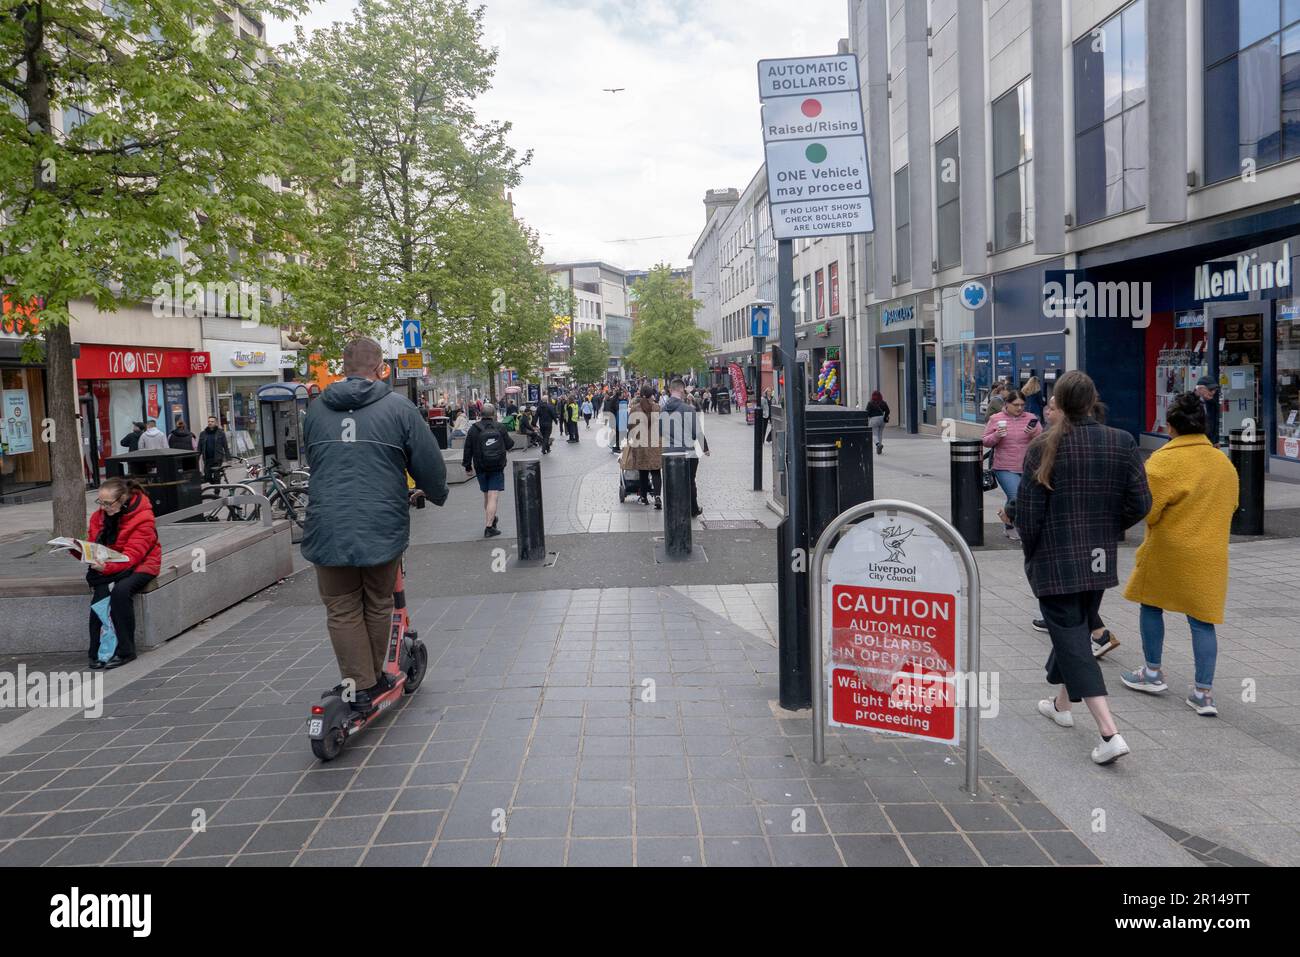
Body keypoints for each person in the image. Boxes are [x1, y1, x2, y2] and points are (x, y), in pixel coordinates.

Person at [302, 337, 448, 712]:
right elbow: (428, 462)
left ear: (343, 366)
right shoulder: (398, 406)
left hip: (327, 524)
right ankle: (374, 678)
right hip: (380, 522)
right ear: (381, 368)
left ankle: (359, 682)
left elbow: (315, 459)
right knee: (378, 601)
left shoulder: (317, 410)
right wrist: (435, 492)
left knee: (341, 605)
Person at [1014, 370, 1151, 766]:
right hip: (1098, 557)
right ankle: (1061, 706)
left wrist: (1033, 551)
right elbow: (1141, 502)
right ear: (1093, 401)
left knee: (1073, 639)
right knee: (1073, 626)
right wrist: (1108, 529)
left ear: (1057, 402)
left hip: (1056, 560)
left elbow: (1029, 515)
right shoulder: (1121, 442)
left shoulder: (1042, 448)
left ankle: (1109, 732)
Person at [1120, 393, 1238, 716]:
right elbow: (1231, 506)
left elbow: (1150, 511)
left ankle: (1153, 672)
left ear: (1170, 427)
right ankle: (1203, 693)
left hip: (1168, 550)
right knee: (1202, 622)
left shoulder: (1162, 462)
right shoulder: (1223, 463)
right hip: (1210, 552)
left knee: (1151, 603)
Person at [82, 477, 161, 670]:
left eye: (108, 503)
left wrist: (105, 568)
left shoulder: (143, 518)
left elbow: (131, 558)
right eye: (100, 502)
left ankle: (126, 651)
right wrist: (79, 550)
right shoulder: (99, 516)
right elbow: (93, 545)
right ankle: (99, 650)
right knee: (100, 596)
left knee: (120, 592)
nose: (103, 507)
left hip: (141, 564)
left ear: (123, 498)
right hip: (110, 564)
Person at [982, 389, 1038, 541]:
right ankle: (1011, 525)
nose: (1019, 408)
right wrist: (996, 435)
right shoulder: (996, 418)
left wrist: (1033, 433)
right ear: (1007, 404)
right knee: (1016, 496)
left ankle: (1007, 520)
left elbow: (1043, 439)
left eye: (1022, 405)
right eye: (1015, 405)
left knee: (1014, 498)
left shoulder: (1031, 418)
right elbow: (985, 441)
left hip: (1027, 466)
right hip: (1004, 466)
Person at [463, 402, 514, 537]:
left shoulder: (474, 429)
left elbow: (467, 449)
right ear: (493, 415)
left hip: (480, 467)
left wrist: (467, 466)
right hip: (497, 466)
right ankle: (489, 526)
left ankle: (491, 517)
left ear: (480, 414)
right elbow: (510, 445)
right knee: (493, 496)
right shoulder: (500, 427)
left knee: (487, 495)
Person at [661, 376, 709, 517]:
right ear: (681, 390)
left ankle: (672, 509)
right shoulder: (688, 409)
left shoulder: (663, 409)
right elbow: (697, 432)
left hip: (669, 451)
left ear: (670, 391)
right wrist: (704, 447)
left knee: (672, 481)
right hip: (688, 452)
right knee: (689, 480)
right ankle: (692, 508)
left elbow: (659, 431)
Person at [625, 384, 662, 508]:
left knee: (643, 472)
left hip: (641, 444)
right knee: (656, 471)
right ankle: (657, 497)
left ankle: (644, 497)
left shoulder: (635, 409)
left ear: (641, 395)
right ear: (651, 395)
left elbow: (629, 426)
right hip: (655, 444)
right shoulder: (657, 408)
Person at [197, 416, 229, 484]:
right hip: (207, 459)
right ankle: (215, 484)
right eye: (209, 421)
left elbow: (225, 446)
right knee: (207, 477)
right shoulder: (203, 434)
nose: (210, 423)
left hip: (217, 458)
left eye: (212, 421)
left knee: (216, 476)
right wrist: (196, 458)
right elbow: (199, 447)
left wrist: (228, 458)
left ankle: (217, 492)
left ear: (216, 423)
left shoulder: (220, 433)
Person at [1195, 375, 1221, 447]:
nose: (1213, 392)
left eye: (1215, 390)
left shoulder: (1213, 403)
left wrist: (1215, 441)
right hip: (1193, 443)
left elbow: (1215, 424)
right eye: (1210, 389)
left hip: (1208, 443)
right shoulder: (1187, 402)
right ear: (1200, 389)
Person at [866, 390, 890, 455]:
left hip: (873, 419)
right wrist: (885, 417)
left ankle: (878, 444)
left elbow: (867, 413)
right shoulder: (883, 403)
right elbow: (888, 411)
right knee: (880, 434)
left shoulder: (870, 403)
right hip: (882, 419)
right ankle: (879, 447)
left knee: (874, 434)